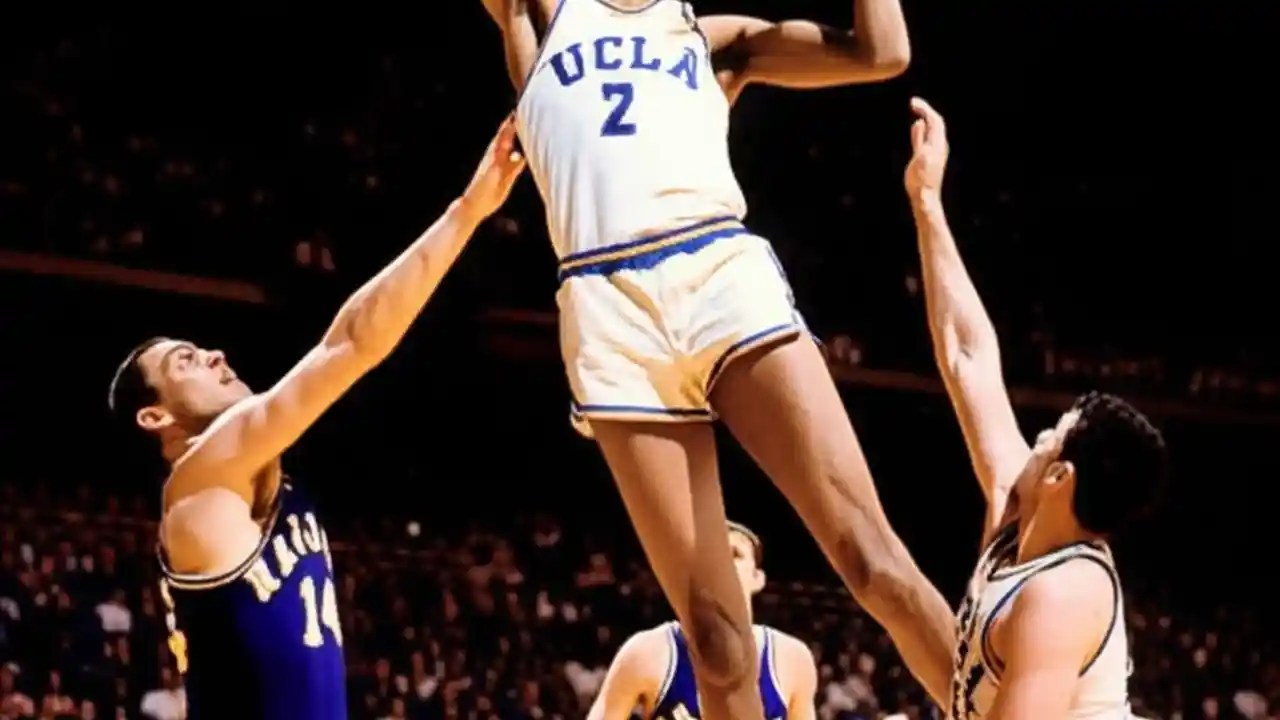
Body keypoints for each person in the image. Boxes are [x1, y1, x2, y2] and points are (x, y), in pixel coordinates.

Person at [481, 1, 955, 716]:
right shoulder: (539, 16)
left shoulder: (711, 37)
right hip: (608, 308)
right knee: (716, 641)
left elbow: (882, 53)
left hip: (713, 269)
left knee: (871, 559)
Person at [106, 119, 526, 720]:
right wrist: (466, 211)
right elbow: (350, 342)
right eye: (186, 362)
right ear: (154, 416)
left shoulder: (254, 476)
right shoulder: (201, 477)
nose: (215, 355)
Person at [903, 97, 1169, 720]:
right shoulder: (1015, 515)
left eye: (1052, 434)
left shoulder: (1063, 594)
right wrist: (927, 203)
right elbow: (967, 356)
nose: (1036, 438)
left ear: (1059, 476)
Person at [587, 522, 816, 720]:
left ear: (757, 578)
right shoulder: (647, 652)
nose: (721, 563)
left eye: (735, 554)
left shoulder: (792, 658)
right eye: (711, 554)